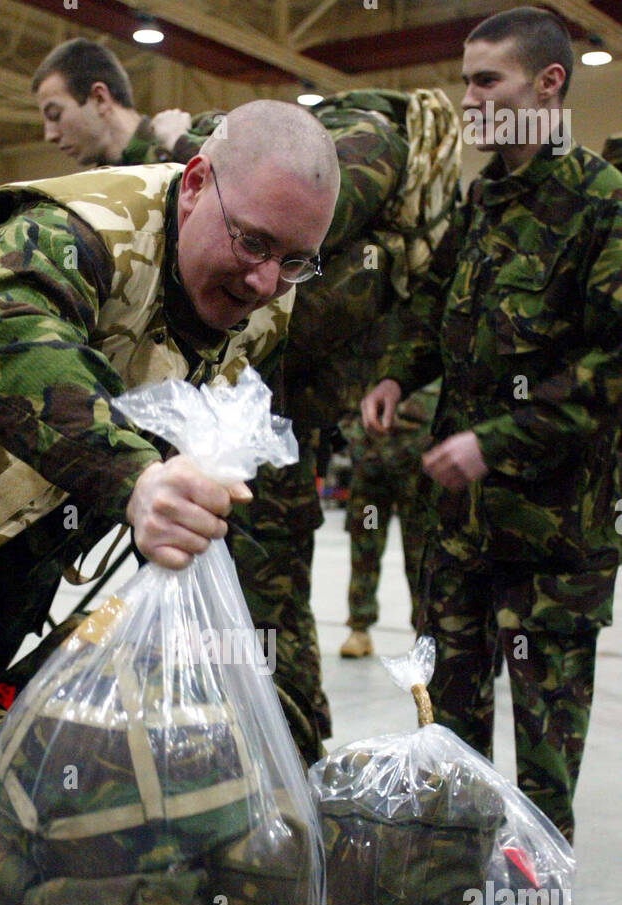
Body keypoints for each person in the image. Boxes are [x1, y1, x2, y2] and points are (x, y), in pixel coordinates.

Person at [0, 103, 339, 764]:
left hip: (40, 505)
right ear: (193, 185)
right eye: (251, 242)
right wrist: (139, 481)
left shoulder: (267, 300)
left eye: (295, 260)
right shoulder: (75, 229)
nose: (265, 282)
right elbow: (3, 339)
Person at [362, 7, 622, 842]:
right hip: (461, 547)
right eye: (463, 79)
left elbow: (605, 373)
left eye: (486, 81)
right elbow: (435, 303)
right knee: (447, 757)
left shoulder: (602, 206)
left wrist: (491, 444)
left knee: (540, 788)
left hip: (552, 554)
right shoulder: (482, 201)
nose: (467, 98)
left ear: (547, 84)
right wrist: (398, 372)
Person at [128, 91, 461, 741]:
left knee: (270, 636)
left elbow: (287, 225)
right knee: (205, 633)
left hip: (270, 454)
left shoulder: (370, 146)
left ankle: (288, 766)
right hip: (231, 434)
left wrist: (171, 139)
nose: (266, 275)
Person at [339, 382, 438, 658]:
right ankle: (359, 628)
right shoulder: (372, 357)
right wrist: (356, 437)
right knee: (365, 548)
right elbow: (346, 403)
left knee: (419, 552)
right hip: (372, 469)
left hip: (416, 472)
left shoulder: (423, 360)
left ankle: (424, 632)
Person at [33, 37, 191, 169]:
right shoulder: (91, 197)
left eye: (55, 114)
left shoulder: (197, 137)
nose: (49, 135)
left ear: (99, 99)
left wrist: (182, 146)